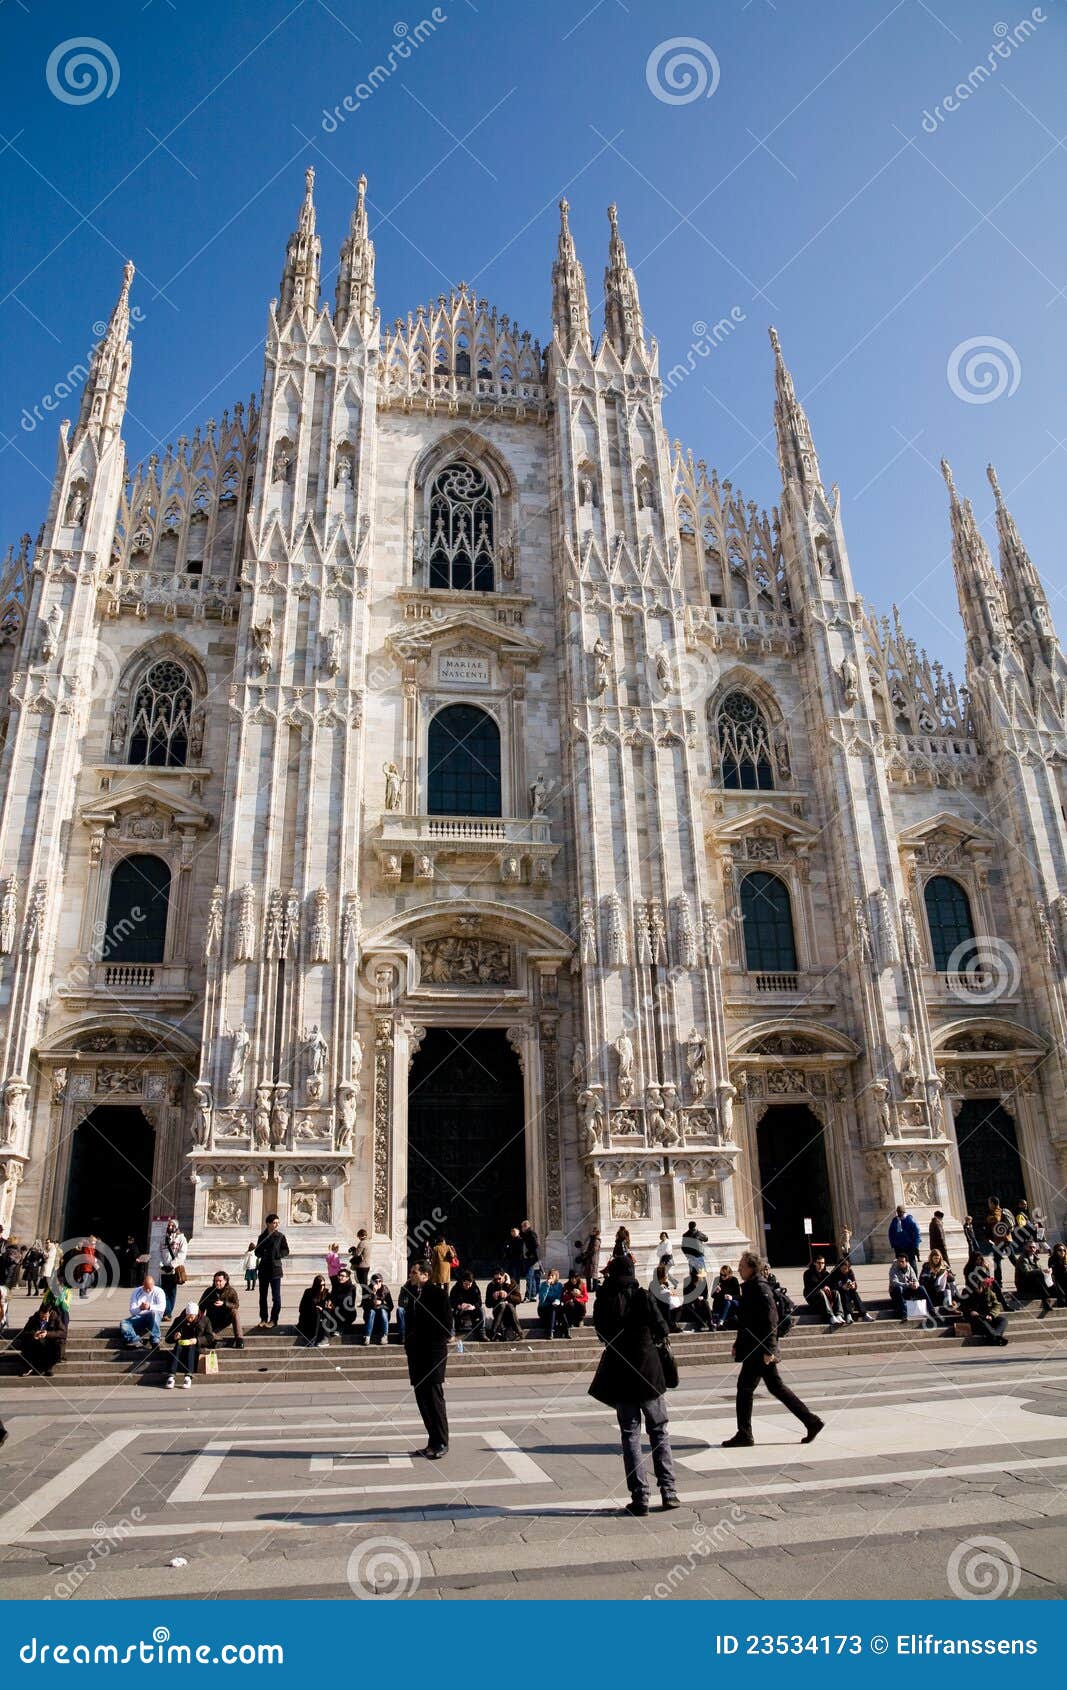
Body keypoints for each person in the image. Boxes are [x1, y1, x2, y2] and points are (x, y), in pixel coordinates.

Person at [589, 1256, 680, 1516]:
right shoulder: (643, 1296)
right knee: (659, 1431)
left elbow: (601, 1334)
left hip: (621, 1374)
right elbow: (663, 1329)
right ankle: (669, 1491)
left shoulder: (605, 1301)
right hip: (649, 1373)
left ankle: (640, 1497)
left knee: (630, 1435)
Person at [722, 1252, 823, 1449]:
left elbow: (770, 1320)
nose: (739, 1269)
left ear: (752, 1267)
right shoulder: (751, 1287)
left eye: (742, 1265)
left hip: (759, 1350)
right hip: (755, 1346)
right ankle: (811, 1422)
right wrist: (737, 1342)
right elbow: (748, 1321)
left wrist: (770, 1349)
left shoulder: (760, 1288)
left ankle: (745, 1434)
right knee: (776, 1387)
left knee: (745, 1389)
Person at [402, 1261, 452, 1458]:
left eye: (414, 1272)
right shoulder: (412, 1293)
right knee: (422, 1399)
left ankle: (442, 1442)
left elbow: (446, 1326)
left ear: (425, 1274)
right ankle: (432, 1441)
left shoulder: (438, 1294)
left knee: (434, 1399)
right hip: (416, 1354)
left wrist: (427, 1337)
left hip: (433, 1354)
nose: (411, 1275)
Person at [16, 1287, 69, 1377]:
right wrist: (34, 1334)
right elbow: (24, 1332)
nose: (43, 1319)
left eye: (45, 1317)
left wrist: (47, 1334)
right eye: (41, 1317)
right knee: (26, 1341)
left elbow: (63, 1332)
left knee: (59, 1343)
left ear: (49, 1313)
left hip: (50, 1344)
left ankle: (48, 1367)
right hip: (37, 1344)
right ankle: (31, 1367)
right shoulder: (34, 1317)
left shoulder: (55, 1317)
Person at [960, 1258, 1009, 1346]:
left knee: (1003, 1320)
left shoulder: (988, 1291)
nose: (979, 1288)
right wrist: (970, 1311)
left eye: (981, 1285)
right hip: (976, 1318)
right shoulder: (966, 1292)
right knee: (981, 1321)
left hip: (988, 1316)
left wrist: (991, 1315)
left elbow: (996, 1305)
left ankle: (994, 1336)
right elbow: (963, 1306)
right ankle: (995, 1337)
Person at [255, 1213, 289, 1329]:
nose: (276, 1225)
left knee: (276, 1297)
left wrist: (278, 1254)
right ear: (268, 1224)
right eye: (274, 1223)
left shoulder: (280, 1236)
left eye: (278, 1223)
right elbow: (257, 1252)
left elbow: (286, 1250)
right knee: (262, 1296)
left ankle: (274, 1319)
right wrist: (261, 1252)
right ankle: (263, 1318)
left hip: (275, 1269)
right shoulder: (262, 1236)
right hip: (264, 1269)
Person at [164, 1302, 209, 1388]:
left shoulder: (205, 1320)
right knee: (178, 1347)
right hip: (181, 1347)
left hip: (195, 1348)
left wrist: (197, 1340)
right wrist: (175, 1336)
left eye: (192, 1316)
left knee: (191, 1347)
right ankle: (171, 1376)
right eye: (188, 1316)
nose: (190, 1318)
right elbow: (167, 1338)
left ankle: (188, 1376)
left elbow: (210, 1337)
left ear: (196, 1315)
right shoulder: (179, 1320)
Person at [198, 1271, 244, 1347]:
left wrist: (224, 1304)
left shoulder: (231, 1291)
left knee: (235, 1312)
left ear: (225, 1281)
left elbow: (236, 1305)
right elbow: (201, 1306)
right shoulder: (209, 1291)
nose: (217, 1283)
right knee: (206, 1334)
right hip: (212, 1320)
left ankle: (239, 1339)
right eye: (216, 1281)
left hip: (225, 1318)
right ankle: (222, 1342)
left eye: (220, 1281)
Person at [888, 1253, 938, 1322]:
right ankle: (903, 1314)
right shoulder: (894, 1268)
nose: (900, 1263)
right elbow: (894, 1282)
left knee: (921, 1288)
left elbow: (915, 1279)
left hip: (908, 1289)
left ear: (906, 1262)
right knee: (899, 1288)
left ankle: (932, 1310)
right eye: (898, 1261)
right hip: (896, 1291)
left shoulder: (909, 1267)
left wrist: (915, 1284)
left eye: (902, 1262)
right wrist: (908, 1285)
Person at [120, 1275, 166, 1347]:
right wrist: (140, 1308)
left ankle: (155, 1339)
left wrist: (149, 1307)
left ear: (153, 1285)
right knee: (124, 1323)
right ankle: (134, 1340)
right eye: (146, 1288)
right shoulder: (136, 1291)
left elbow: (162, 1307)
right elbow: (132, 1310)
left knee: (154, 1313)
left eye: (149, 1288)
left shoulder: (159, 1291)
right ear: (143, 1284)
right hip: (140, 1316)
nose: (147, 1290)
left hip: (153, 1316)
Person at [803, 1255, 845, 1329]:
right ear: (814, 1263)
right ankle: (831, 1316)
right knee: (821, 1292)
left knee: (836, 1292)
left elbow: (832, 1285)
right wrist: (822, 1288)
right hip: (814, 1299)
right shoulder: (808, 1273)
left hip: (826, 1299)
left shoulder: (826, 1274)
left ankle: (839, 1315)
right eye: (819, 1263)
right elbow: (810, 1287)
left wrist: (829, 1287)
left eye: (823, 1263)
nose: (821, 1265)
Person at [1014, 1241, 1054, 1316]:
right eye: (1030, 1247)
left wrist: (1047, 1271)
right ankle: (1046, 1298)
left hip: (1034, 1282)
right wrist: (1042, 1271)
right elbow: (1026, 1272)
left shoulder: (1035, 1257)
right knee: (1038, 1273)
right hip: (1023, 1283)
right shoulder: (1022, 1258)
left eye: (1034, 1247)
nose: (1032, 1249)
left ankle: (1058, 1296)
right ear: (1026, 1248)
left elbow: (1040, 1269)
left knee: (1051, 1275)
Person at [159, 1221, 187, 1318]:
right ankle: (167, 1312)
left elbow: (182, 1255)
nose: (170, 1227)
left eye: (172, 1225)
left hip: (174, 1270)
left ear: (176, 1227)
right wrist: (161, 1265)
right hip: (164, 1270)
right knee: (163, 1292)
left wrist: (171, 1265)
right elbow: (159, 1252)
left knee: (171, 1292)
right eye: (169, 1225)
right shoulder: (163, 1239)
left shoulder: (181, 1238)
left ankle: (167, 1313)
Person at [832, 1257, 874, 1322]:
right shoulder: (834, 1273)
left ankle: (865, 1314)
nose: (845, 1270)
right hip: (840, 1296)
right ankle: (848, 1315)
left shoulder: (850, 1272)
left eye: (846, 1269)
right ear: (839, 1267)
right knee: (844, 1292)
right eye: (843, 1268)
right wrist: (842, 1287)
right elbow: (832, 1287)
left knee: (855, 1293)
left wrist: (853, 1286)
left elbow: (855, 1284)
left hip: (849, 1293)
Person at [485, 1270, 523, 1340]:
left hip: (510, 1312)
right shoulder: (491, 1285)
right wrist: (493, 1297)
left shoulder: (512, 1283)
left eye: (499, 1279)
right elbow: (487, 1304)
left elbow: (519, 1299)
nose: (498, 1281)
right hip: (497, 1311)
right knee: (502, 1306)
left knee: (509, 1305)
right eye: (495, 1279)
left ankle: (518, 1331)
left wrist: (508, 1296)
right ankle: (494, 1331)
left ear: (504, 1276)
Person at [297, 1276, 333, 1347]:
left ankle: (320, 1338)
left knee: (323, 1313)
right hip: (309, 1317)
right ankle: (313, 1338)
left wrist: (321, 1309)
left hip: (322, 1318)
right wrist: (313, 1308)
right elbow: (302, 1308)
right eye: (320, 1285)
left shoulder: (327, 1294)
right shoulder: (308, 1292)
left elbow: (330, 1308)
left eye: (323, 1285)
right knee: (316, 1312)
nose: (322, 1287)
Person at [449, 1271, 485, 1340]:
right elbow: (451, 1301)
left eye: (469, 1284)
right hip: (459, 1310)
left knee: (481, 1310)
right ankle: (451, 1334)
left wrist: (473, 1306)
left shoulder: (475, 1288)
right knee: (450, 1311)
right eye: (465, 1284)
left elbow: (479, 1302)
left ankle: (482, 1333)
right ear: (462, 1281)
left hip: (471, 1309)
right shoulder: (456, 1288)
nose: (467, 1286)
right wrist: (459, 1306)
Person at [649, 1260, 682, 1334]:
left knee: (678, 1308)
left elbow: (668, 1291)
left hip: (668, 1305)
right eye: (665, 1274)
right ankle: (670, 1325)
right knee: (666, 1304)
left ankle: (672, 1323)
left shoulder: (664, 1284)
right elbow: (653, 1298)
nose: (666, 1276)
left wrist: (671, 1294)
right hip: (659, 1306)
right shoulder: (653, 1284)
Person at [362, 1272, 393, 1344]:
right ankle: (367, 1336)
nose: (378, 1283)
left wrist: (381, 1304)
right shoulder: (367, 1290)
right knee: (372, 1311)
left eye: (380, 1281)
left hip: (382, 1317)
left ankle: (384, 1336)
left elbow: (391, 1306)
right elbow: (365, 1307)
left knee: (382, 1310)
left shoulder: (385, 1289)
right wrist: (373, 1293)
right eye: (376, 1281)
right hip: (370, 1317)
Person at [887, 1206, 920, 1274]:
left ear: (904, 1212)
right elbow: (891, 1233)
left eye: (900, 1212)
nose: (899, 1214)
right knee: (900, 1264)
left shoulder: (910, 1220)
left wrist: (915, 1245)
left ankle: (915, 1278)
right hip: (899, 1247)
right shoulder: (895, 1221)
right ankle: (903, 1278)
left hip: (909, 1246)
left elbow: (916, 1233)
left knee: (912, 1263)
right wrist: (893, 1244)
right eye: (898, 1212)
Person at [537, 1268, 568, 1338]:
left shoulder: (559, 1285)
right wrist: (547, 1286)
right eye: (549, 1275)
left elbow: (559, 1297)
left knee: (559, 1308)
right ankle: (551, 1331)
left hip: (555, 1307)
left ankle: (566, 1329)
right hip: (544, 1308)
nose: (550, 1277)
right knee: (552, 1308)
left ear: (556, 1277)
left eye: (552, 1275)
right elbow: (542, 1299)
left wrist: (557, 1301)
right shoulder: (543, 1284)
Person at [331, 1266, 361, 1335]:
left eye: (342, 1276)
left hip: (348, 1312)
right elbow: (332, 1297)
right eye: (339, 1275)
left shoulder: (351, 1288)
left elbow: (347, 1299)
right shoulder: (336, 1286)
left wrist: (335, 1302)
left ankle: (340, 1329)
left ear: (347, 1278)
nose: (340, 1277)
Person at [710, 1265, 741, 1330]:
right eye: (721, 1274)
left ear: (729, 1274)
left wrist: (731, 1297)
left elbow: (739, 1296)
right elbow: (712, 1295)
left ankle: (721, 1322)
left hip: (732, 1303)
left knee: (729, 1302)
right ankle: (720, 1321)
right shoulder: (717, 1279)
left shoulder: (734, 1280)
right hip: (721, 1304)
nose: (722, 1276)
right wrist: (716, 1291)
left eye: (724, 1275)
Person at [520, 1219, 541, 1301]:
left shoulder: (531, 1234)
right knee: (532, 1277)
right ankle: (533, 1295)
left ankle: (528, 1296)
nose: (521, 1228)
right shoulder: (527, 1234)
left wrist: (530, 1254)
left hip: (532, 1259)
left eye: (522, 1227)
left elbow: (535, 1245)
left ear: (525, 1226)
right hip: (531, 1258)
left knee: (529, 1277)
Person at [76, 1236, 96, 1301]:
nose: (95, 1243)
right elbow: (87, 1257)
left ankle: (84, 1292)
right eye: (94, 1242)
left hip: (90, 1267)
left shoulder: (92, 1248)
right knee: (84, 1280)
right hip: (86, 1266)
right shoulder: (87, 1247)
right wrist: (93, 1261)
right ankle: (82, 1294)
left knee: (91, 1279)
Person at [1048, 1241, 1067, 1307]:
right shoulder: (1052, 1259)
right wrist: (1063, 1267)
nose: (1062, 1251)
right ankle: (1062, 1301)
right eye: (1060, 1250)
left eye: (1064, 1250)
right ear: (1056, 1251)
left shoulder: (1066, 1259)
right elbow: (1052, 1269)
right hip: (1057, 1280)